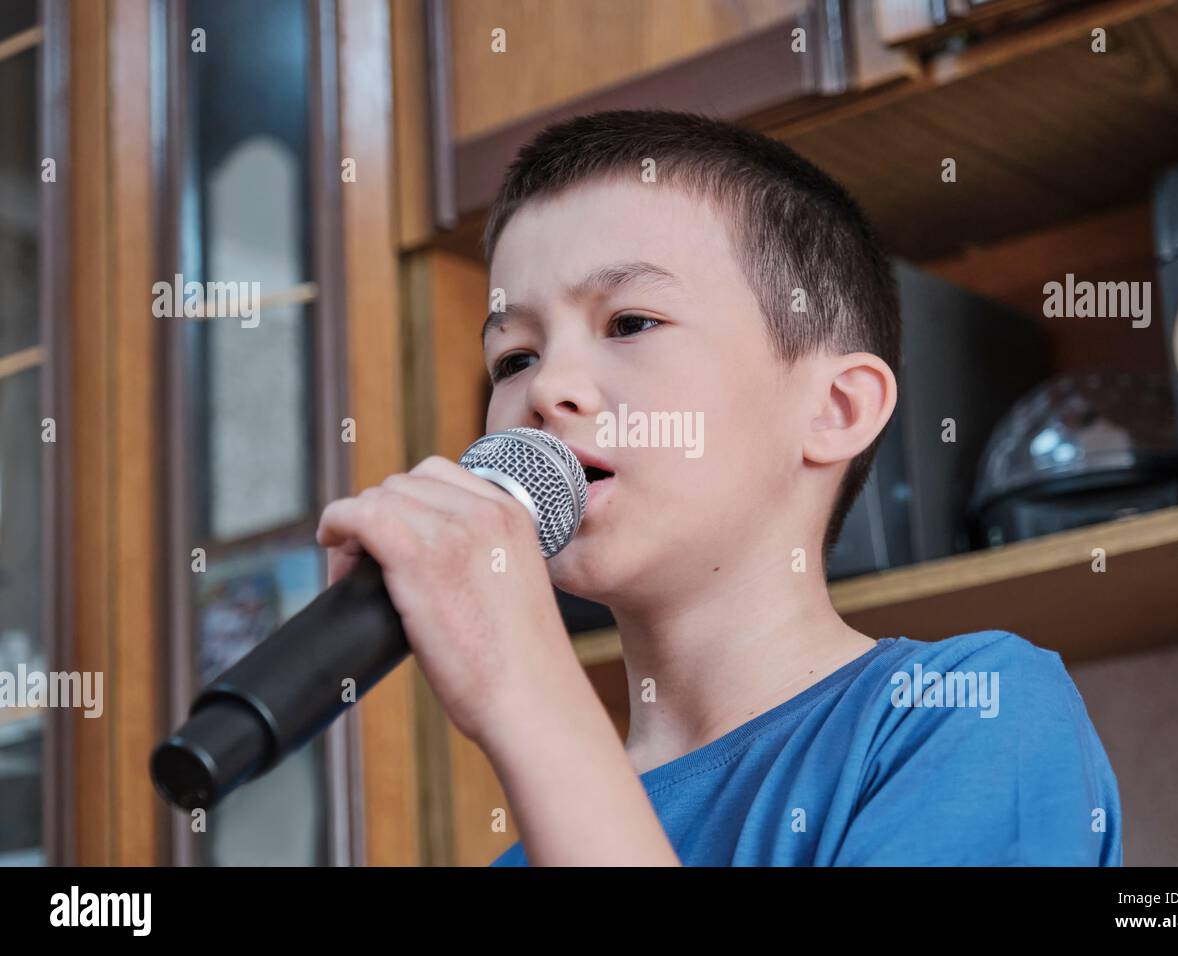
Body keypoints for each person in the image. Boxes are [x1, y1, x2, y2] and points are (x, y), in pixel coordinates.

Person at [316, 109, 1122, 866]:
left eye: (630, 322)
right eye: (513, 358)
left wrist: (519, 692)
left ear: (836, 409)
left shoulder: (965, 713)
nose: (546, 388)